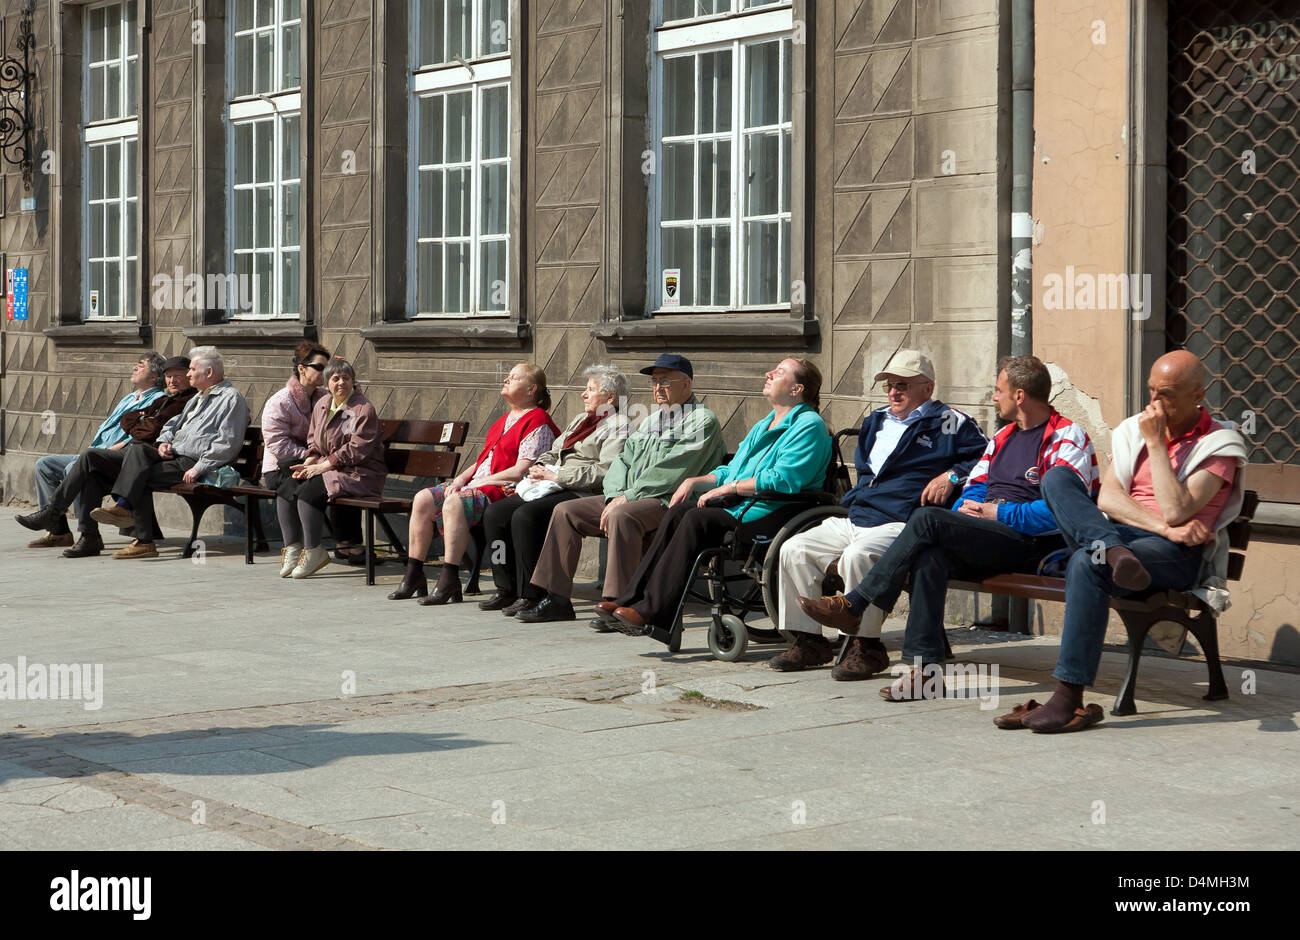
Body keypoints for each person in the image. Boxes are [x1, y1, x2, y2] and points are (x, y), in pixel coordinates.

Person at [798, 355, 1100, 701]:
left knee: (926, 518)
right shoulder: (1003, 436)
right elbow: (974, 485)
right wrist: (967, 509)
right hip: (989, 536)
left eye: (998, 391)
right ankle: (924, 673)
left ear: (1019, 396)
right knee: (931, 557)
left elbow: (1063, 512)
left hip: (1032, 545)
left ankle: (855, 603)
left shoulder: (1065, 436)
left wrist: (998, 514)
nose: (993, 397)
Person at [997, 350, 1247, 733]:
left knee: (1087, 561)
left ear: (1198, 394)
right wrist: (1158, 527)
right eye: (1151, 391)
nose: (1154, 403)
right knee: (1056, 479)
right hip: (1125, 539)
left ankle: (1067, 698)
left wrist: (1158, 447)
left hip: (1175, 554)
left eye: (1166, 394)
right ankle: (1113, 552)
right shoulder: (1134, 430)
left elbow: (1177, 510)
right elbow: (1107, 499)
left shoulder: (1219, 444)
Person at [767, 349, 989, 679]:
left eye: (903, 384)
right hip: (859, 515)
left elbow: (989, 457)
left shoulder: (950, 422)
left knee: (858, 555)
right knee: (794, 548)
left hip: (904, 522)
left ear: (927, 388)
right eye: (888, 385)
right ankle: (809, 640)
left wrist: (951, 476)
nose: (893, 392)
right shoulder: (876, 420)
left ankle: (866, 646)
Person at [599, 358, 833, 645]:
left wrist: (729, 488)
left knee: (696, 519)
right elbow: (731, 471)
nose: (768, 373)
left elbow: (783, 479)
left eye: (779, 372)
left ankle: (652, 612)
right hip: (742, 506)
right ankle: (632, 600)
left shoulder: (809, 426)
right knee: (679, 510)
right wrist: (697, 481)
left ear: (797, 388)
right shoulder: (763, 424)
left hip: (772, 511)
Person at [521, 353, 726, 624]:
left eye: (665, 381)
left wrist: (626, 498)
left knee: (622, 515)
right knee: (565, 511)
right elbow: (622, 460)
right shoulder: (652, 420)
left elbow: (672, 472)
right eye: (655, 382)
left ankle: (619, 601)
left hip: (669, 502)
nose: (657, 388)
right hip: (629, 497)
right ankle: (557, 598)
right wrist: (615, 494)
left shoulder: (702, 421)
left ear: (686, 384)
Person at [388, 363, 560, 605]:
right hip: (482, 483)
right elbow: (484, 460)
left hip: (505, 489)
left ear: (532, 390)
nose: (506, 380)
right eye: (507, 377)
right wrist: (460, 479)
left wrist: (478, 482)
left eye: (514, 378)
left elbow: (522, 470)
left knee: (455, 501)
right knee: (424, 498)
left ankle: (449, 578)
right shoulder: (502, 421)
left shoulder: (537, 421)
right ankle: (414, 573)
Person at [478, 365, 631, 617]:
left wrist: (558, 475)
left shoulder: (619, 424)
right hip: (551, 484)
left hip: (582, 491)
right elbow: (555, 450)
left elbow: (605, 471)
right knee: (495, 513)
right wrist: (539, 467)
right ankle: (506, 587)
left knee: (526, 516)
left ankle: (532, 592)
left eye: (590, 390)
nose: (583, 394)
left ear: (610, 397)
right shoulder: (582, 419)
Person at [16, 357, 196, 558]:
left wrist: (142, 422)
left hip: (145, 458)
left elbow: (150, 430)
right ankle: (88, 537)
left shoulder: (184, 401)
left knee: (89, 459)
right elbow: (128, 420)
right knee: (85, 471)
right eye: (169, 376)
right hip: (133, 454)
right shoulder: (164, 400)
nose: (172, 381)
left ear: (190, 376)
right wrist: (141, 421)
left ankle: (53, 512)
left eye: (178, 376)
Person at [88, 347, 251, 560]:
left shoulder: (230, 398)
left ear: (209, 373)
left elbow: (227, 444)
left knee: (140, 474)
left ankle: (141, 536)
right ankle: (124, 509)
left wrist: (198, 468)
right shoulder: (199, 397)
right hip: (175, 455)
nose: (188, 374)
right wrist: (164, 441)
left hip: (194, 463)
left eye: (192, 369)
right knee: (138, 451)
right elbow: (172, 424)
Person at [275, 359, 386, 579]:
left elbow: (356, 449)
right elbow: (314, 442)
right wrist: (310, 462)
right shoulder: (323, 404)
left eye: (346, 378)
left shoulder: (360, 408)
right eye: (335, 378)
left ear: (353, 382)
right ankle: (293, 548)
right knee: (287, 486)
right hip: (333, 467)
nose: (341, 383)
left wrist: (323, 466)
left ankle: (313, 550)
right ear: (327, 384)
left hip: (360, 473)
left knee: (310, 491)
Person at [260, 341, 331, 490]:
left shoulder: (325, 397)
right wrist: (310, 456)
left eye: (328, 368)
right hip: (280, 469)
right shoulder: (280, 401)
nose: (325, 373)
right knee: (323, 485)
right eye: (319, 368)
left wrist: (344, 374)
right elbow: (277, 442)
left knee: (338, 481)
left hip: (312, 465)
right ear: (301, 369)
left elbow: (350, 407)